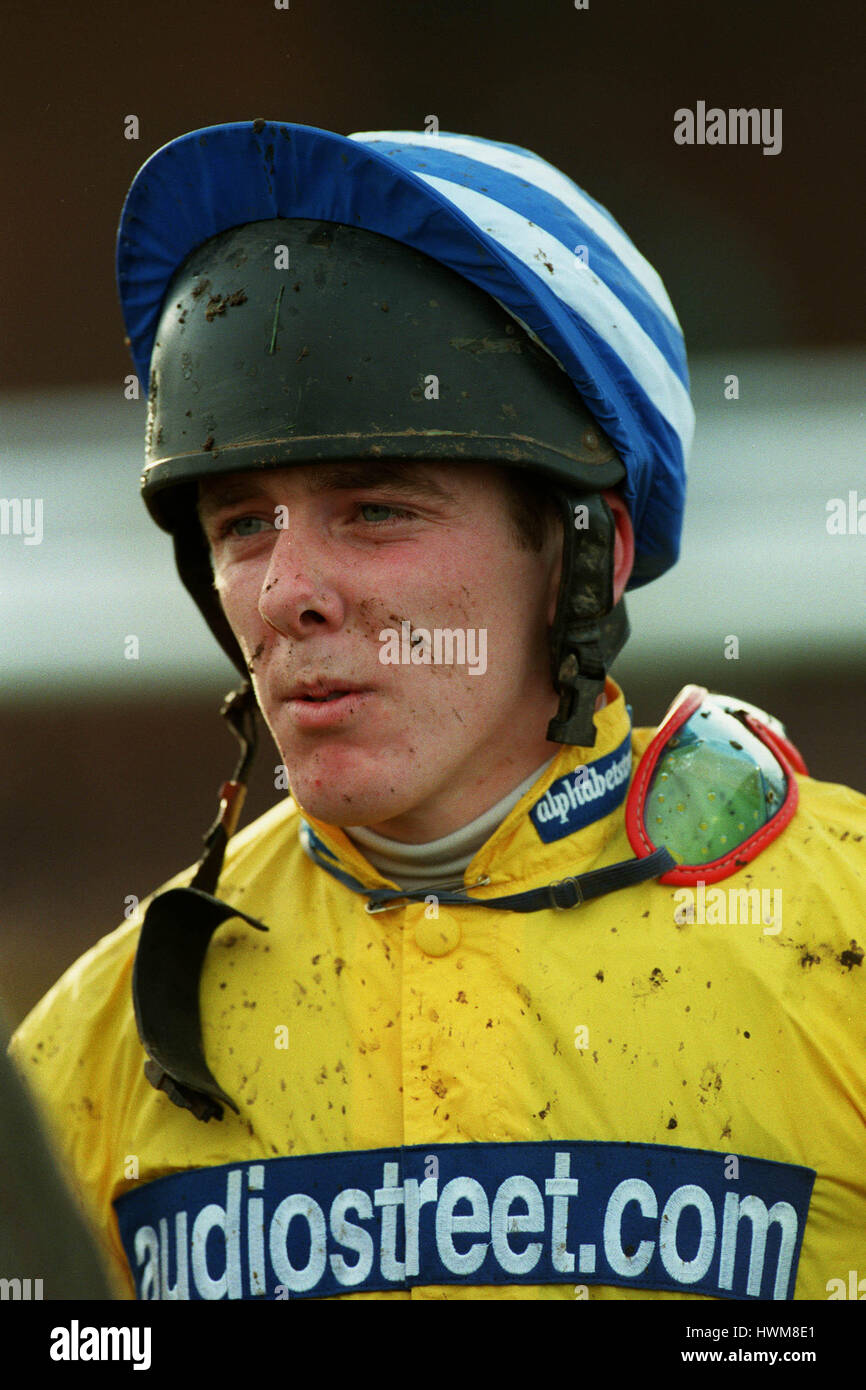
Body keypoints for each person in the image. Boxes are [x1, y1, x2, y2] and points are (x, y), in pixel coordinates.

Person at [9, 120, 865, 1302]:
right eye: (242, 523)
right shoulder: (84, 1058)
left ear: (587, 560)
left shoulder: (845, 947)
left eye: (375, 510)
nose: (289, 593)